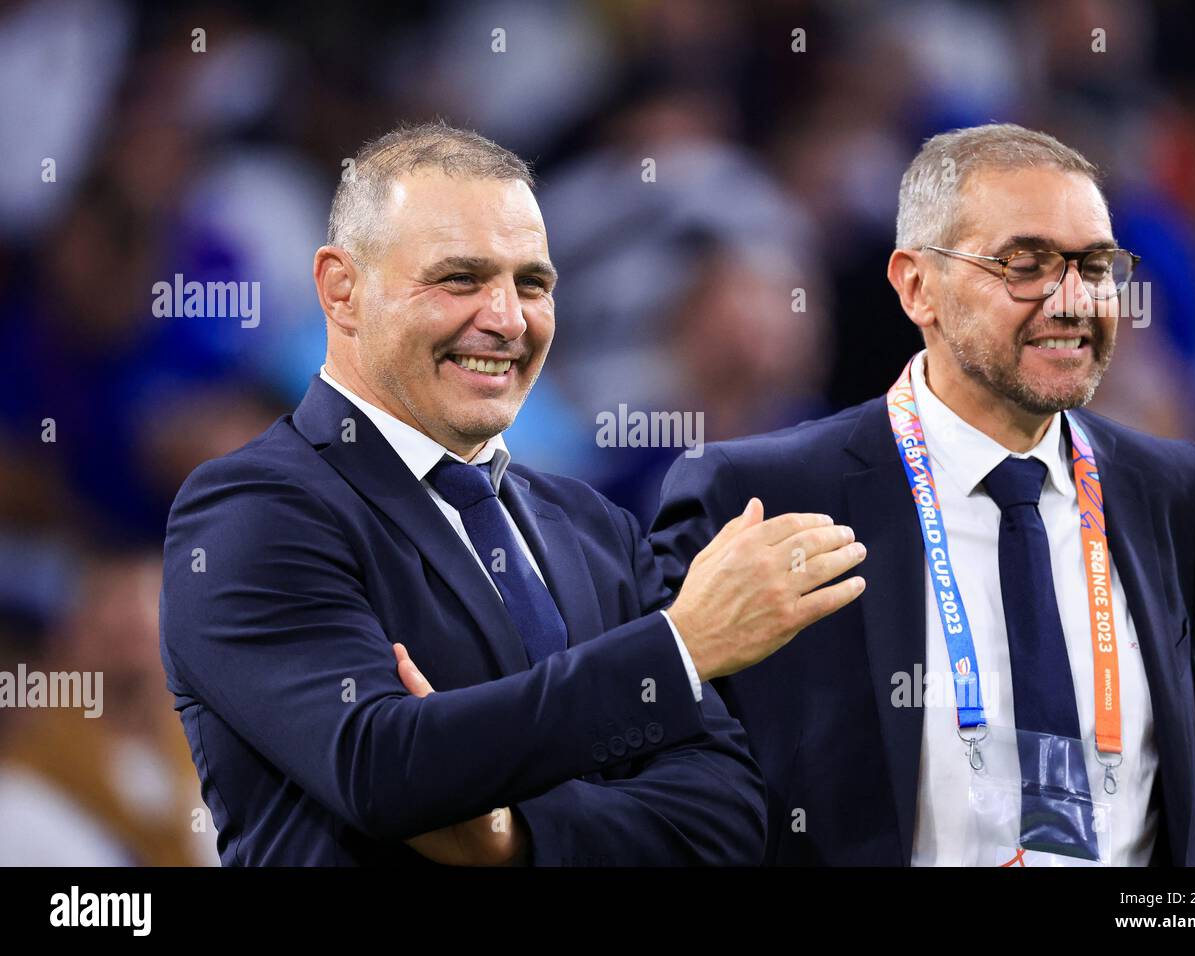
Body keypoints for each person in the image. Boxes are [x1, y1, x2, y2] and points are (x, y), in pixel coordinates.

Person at [158, 121, 866, 866]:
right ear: (342, 289)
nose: (506, 319)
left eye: (532, 283)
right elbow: (383, 765)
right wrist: (679, 647)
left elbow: (724, 820)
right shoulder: (253, 510)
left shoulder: (596, 527)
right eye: (460, 278)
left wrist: (514, 835)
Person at [651, 123, 1195, 866]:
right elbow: (671, 783)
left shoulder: (1168, 486)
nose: (1073, 300)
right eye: (1024, 265)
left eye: (1094, 266)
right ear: (916, 286)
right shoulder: (760, 493)